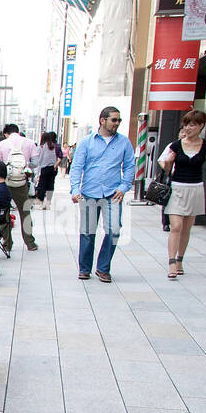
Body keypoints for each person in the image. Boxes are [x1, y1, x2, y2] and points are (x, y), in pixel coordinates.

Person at [70, 106, 135, 283]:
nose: (117, 123)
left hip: (113, 194)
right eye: (114, 120)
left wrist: (123, 187)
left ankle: (103, 268)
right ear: (102, 120)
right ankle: (84, 269)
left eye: (119, 120)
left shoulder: (124, 142)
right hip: (90, 193)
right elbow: (77, 166)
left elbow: (129, 166)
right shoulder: (86, 142)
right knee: (87, 232)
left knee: (114, 230)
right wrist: (75, 189)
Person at [158, 109, 206, 280]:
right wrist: (168, 163)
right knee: (175, 226)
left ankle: (180, 259)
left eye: (192, 125)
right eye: (186, 125)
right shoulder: (176, 145)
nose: (188, 128)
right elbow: (168, 171)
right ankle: (171, 263)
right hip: (177, 188)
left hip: (195, 188)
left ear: (201, 126)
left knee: (186, 228)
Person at [0, 124, 38, 250]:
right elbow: (35, 163)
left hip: (5, 183)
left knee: (4, 212)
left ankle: (7, 244)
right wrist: (24, 166)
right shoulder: (29, 143)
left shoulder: (2, 144)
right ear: (18, 132)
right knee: (25, 213)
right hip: (21, 182)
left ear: (6, 133)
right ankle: (30, 243)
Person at [35, 132, 59, 209]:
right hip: (52, 168)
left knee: (42, 186)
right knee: (50, 186)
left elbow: (39, 159)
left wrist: (37, 171)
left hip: (44, 168)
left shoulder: (41, 147)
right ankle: (48, 204)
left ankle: (41, 203)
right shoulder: (53, 147)